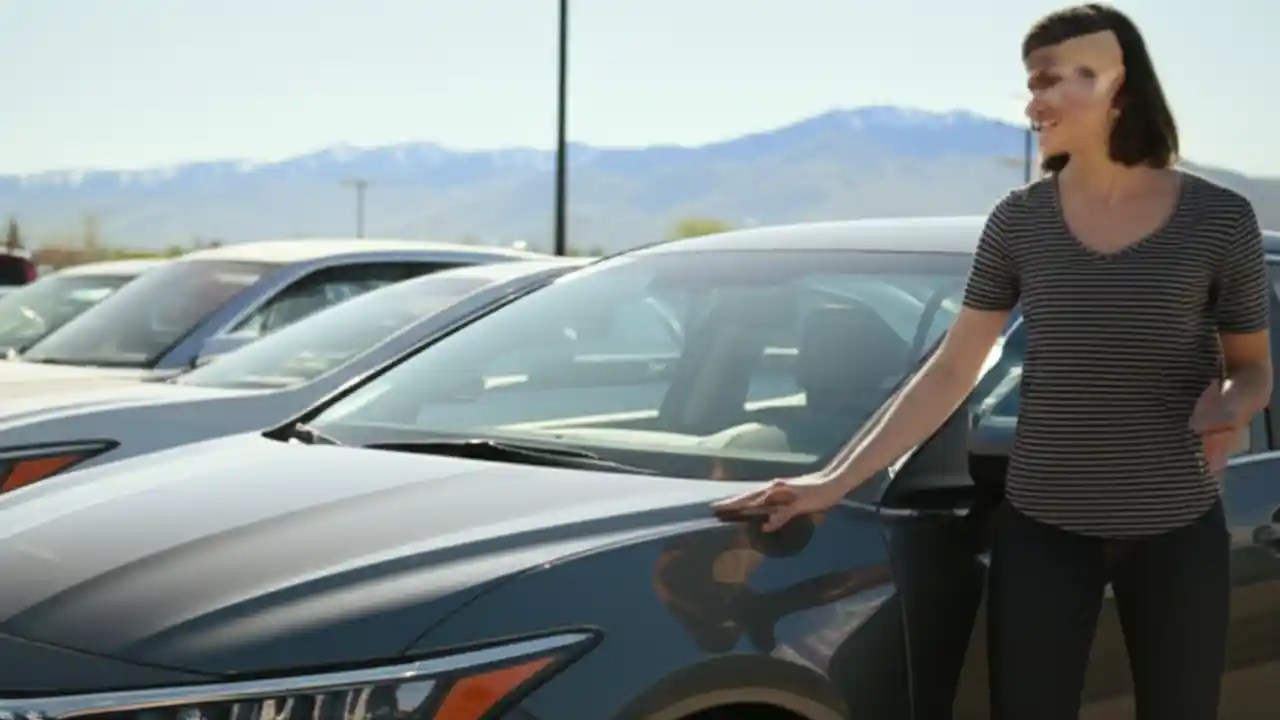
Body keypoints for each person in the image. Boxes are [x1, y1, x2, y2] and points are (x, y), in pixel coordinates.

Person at [712, 4, 1272, 718]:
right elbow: (951, 370)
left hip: (1177, 533)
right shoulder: (1019, 220)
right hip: (1044, 534)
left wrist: (1233, 401)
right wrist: (832, 479)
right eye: (1030, 83)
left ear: (1114, 85)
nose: (1032, 102)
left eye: (1049, 82)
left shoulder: (1219, 221)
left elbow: (1253, 365)